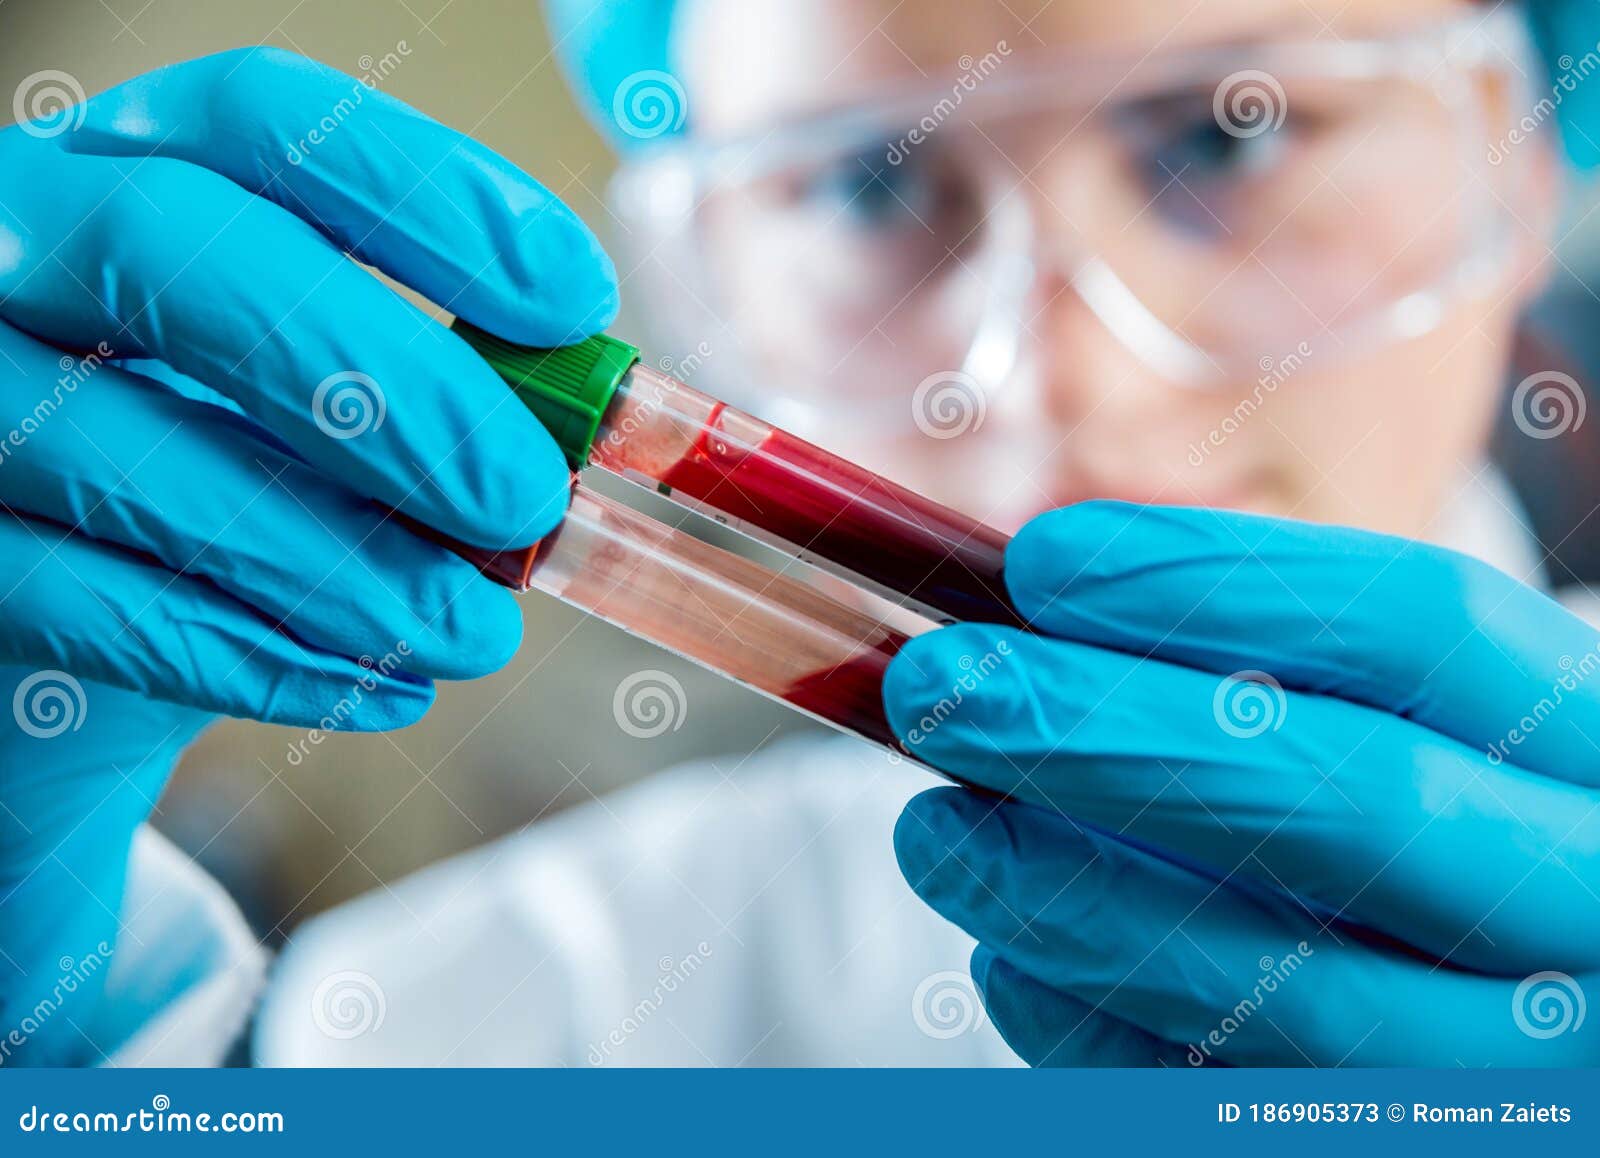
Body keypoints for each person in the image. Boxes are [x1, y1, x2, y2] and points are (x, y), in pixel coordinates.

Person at [0, 0, 1595, 1067]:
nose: (1062, 379)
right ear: (707, 272)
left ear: (1523, 161)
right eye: (864, 189)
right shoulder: (551, 998)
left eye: (1230, 136)